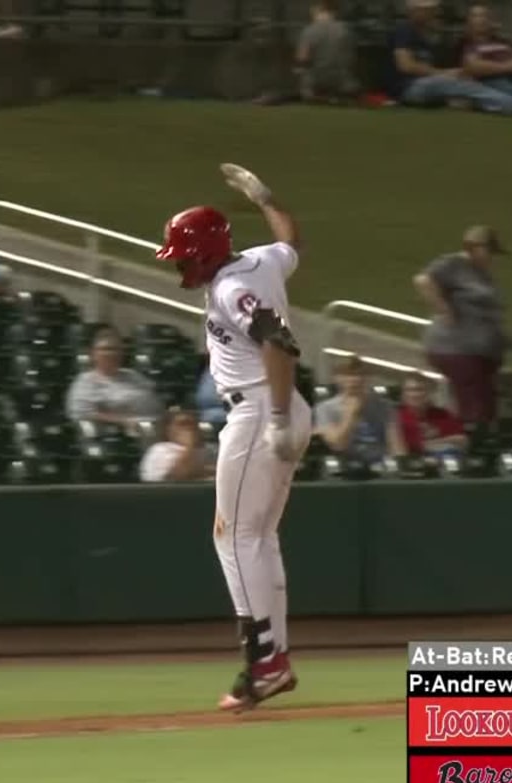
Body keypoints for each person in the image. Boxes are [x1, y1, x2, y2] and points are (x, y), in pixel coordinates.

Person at [153, 163, 309, 711]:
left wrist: (280, 418)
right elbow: (292, 239)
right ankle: (275, 659)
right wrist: (265, 195)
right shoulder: (261, 261)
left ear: (207, 252)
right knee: (259, 538)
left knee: (233, 538)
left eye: (185, 254)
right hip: (276, 405)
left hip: (261, 408)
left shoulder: (233, 286)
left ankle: (263, 663)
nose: (181, 265)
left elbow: (277, 340)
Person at [413, 225, 509, 427]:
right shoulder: (454, 264)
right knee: (475, 409)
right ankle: (471, 449)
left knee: (484, 406)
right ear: (472, 248)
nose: (491, 257)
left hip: (478, 352)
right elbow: (423, 280)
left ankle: (476, 442)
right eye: (488, 251)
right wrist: (444, 309)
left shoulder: (481, 273)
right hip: (458, 348)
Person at [390, 0, 512, 118]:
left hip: (429, 85)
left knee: (461, 84)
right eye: (428, 10)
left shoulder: (428, 37)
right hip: (409, 88)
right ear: (414, 11)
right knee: (467, 86)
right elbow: (405, 66)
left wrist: (449, 72)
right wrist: (442, 73)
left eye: (433, 9)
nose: (433, 13)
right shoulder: (404, 30)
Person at [313, 354, 406, 462]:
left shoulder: (385, 407)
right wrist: (350, 414)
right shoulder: (325, 408)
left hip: (380, 464)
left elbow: (396, 445)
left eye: (360, 375)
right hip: (345, 466)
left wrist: (401, 463)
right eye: (348, 375)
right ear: (337, 378)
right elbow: (338, 444)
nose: (355, 380)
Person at [65, 329, 164, 427]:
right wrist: (121, 421)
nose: (112, 353)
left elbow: (154, 400)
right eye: (106, 349)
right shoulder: (85, 381)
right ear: (93, 354)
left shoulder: (133, 375)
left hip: (155, 427)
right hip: (116, 434)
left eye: (117, 349)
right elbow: (82, 413)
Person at [294, 1, 357, 103]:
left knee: (302, 74)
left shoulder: (309, 31)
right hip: (342, 82)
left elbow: (302, 59)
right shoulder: (346, 30)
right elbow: (351, 59)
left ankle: (314, 96)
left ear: (318, 9)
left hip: (316, 82)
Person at [396, 374, 467, 456]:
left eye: (420, 390)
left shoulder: (443, 415)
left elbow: (463, 440)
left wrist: (428, 444)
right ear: (403, 394)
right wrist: (446, 441)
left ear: (429, 392)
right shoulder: (396, 418)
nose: (416, 394)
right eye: (410, 390)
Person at [139, 410, 211, 483]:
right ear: (168, 429)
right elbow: (173, 479)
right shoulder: (159, 450)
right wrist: (189, 446)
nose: (189, 428)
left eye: (193, 424)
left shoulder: (207, 450)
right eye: (183, 424)